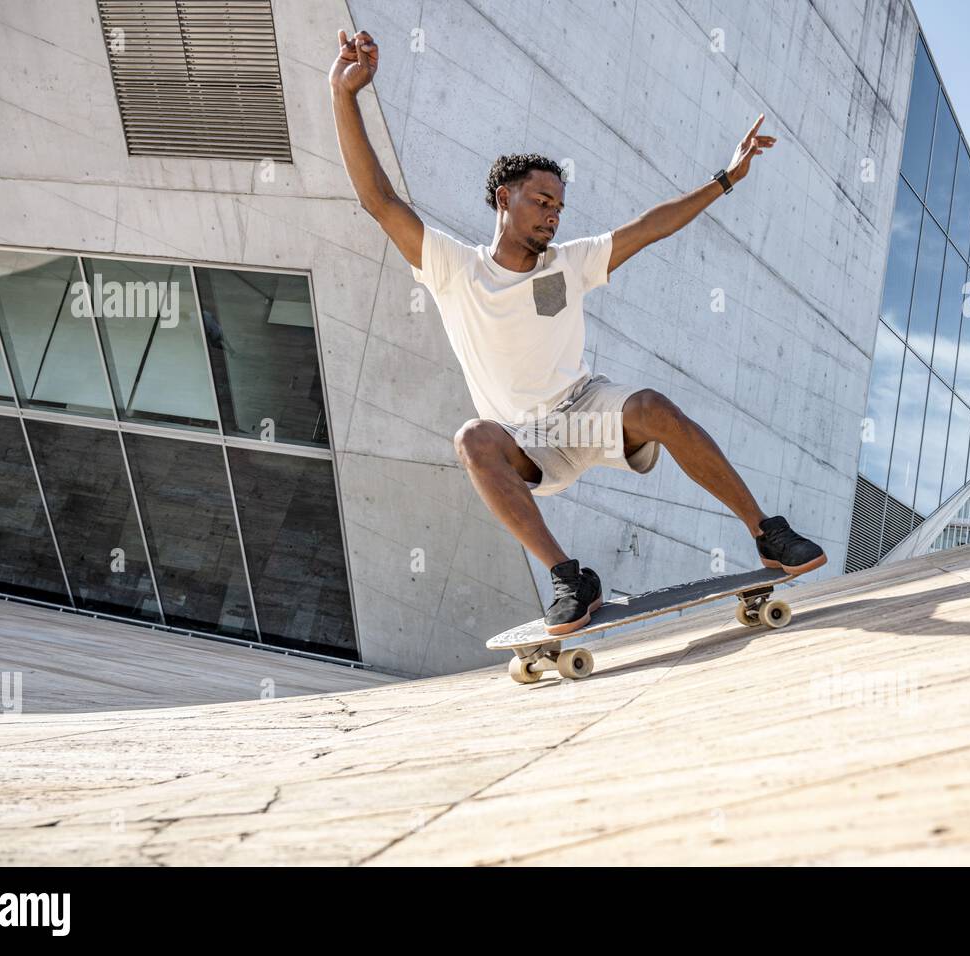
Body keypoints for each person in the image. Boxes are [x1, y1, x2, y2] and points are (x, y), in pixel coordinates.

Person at [330, 28, 825, 635]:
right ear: (502, 198)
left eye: (559, 207)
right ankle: (570, 578)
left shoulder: (571, 261)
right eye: (540, 201)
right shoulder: (453, 269)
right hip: (524, 438)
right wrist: (343, 95)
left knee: (652, 406)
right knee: (471, 439)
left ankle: (767, 533)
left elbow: (651, 227)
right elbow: (379, 200)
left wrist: (726, 179)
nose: (552, 215)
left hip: (584, 412)